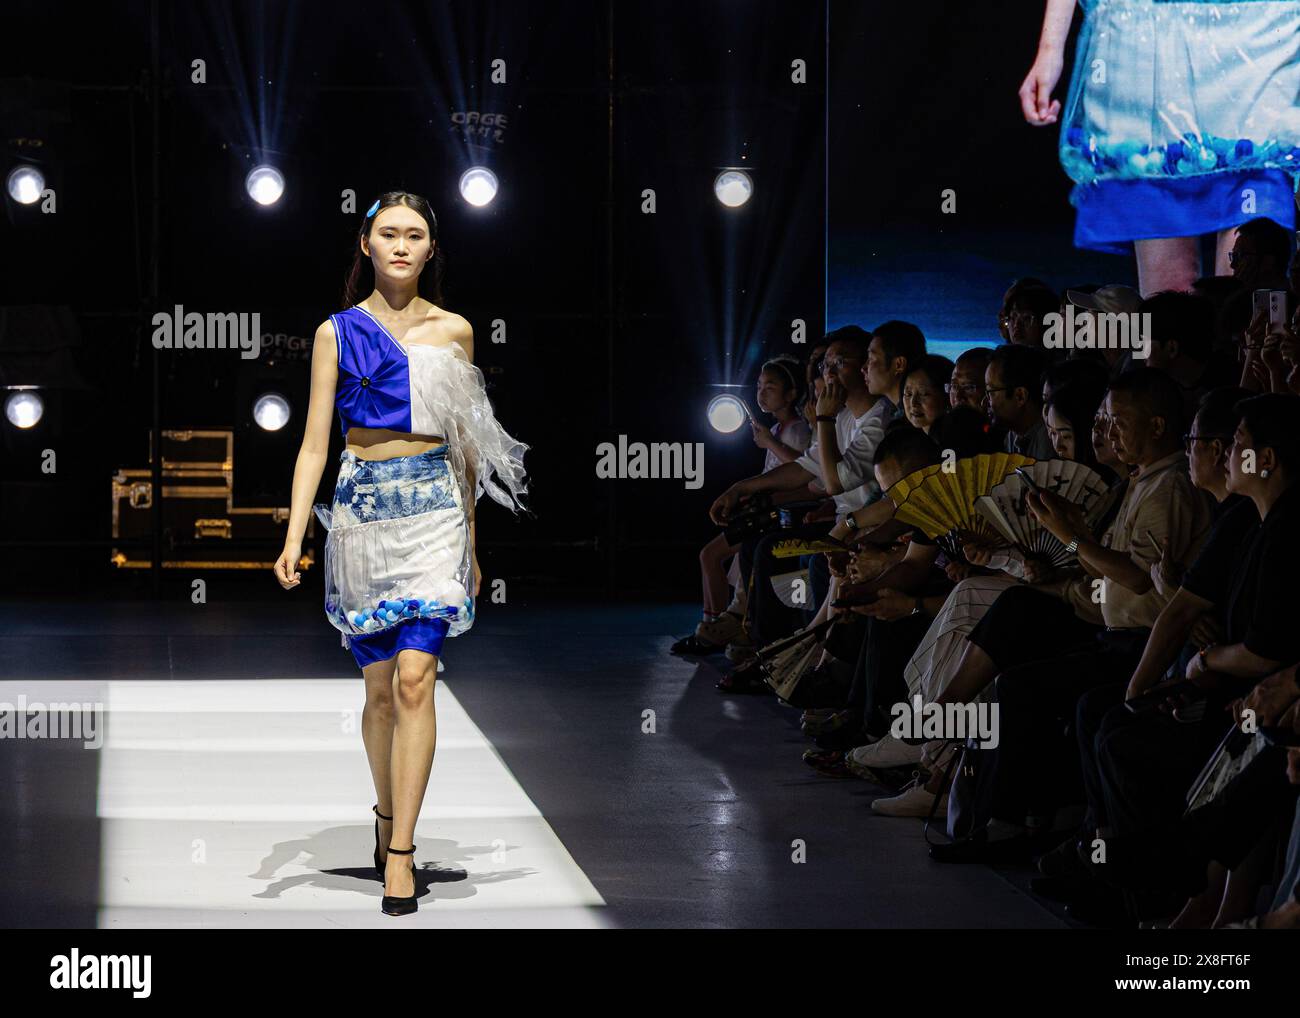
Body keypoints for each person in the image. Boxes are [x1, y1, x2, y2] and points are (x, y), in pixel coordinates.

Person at [272, 191, 530, 916]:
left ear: (430, 249)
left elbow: (470, 445)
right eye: (388, 233)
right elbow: (315, 442)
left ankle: (401, 852)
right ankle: (386, 814)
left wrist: (474, 543)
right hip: (362, 514)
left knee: (418, 677)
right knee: (380, 689)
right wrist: (296, 534)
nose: (401, 246)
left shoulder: (456, 332)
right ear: (365, 243)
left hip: (435, 513)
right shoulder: (336, 333)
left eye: (415, 235)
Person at [1020, 0, 1300, 294]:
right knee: (1169, 302)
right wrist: (1050, 50)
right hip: (1147, 47)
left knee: (1248, 278)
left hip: (1257, 37)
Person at [675, 357, 811, 655]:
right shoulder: (774, 430)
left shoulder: (797, 430)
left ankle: (726, 625)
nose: (761, 393)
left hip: (780, 517)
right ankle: (716, 623)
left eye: (770, 387)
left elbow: (806, 471)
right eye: (760, 386)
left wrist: (769, 445)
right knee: (710, 555)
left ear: (790, 394)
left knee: (715, 555)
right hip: (765, 514)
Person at [984, 344, 1054, 459]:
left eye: (991, 392)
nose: (984, 402)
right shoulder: (1013, 435)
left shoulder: (1050, 446)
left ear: (1020, 396)